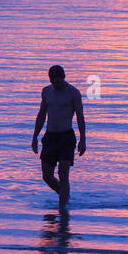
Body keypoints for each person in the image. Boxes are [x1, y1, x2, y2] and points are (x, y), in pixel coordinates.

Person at [32, 65, 86, 207]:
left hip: (66, 137)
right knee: (47, 176)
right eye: (52, 80)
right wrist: (34, 137)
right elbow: (41, 115)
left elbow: (80, 117)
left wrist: (83, 140)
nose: (55, 83)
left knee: (63, 174)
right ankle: (65, 195)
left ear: (63, 78)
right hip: (50, 137)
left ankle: (63, 211)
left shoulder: (73, 93)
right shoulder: (46, 91)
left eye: (57, 80)